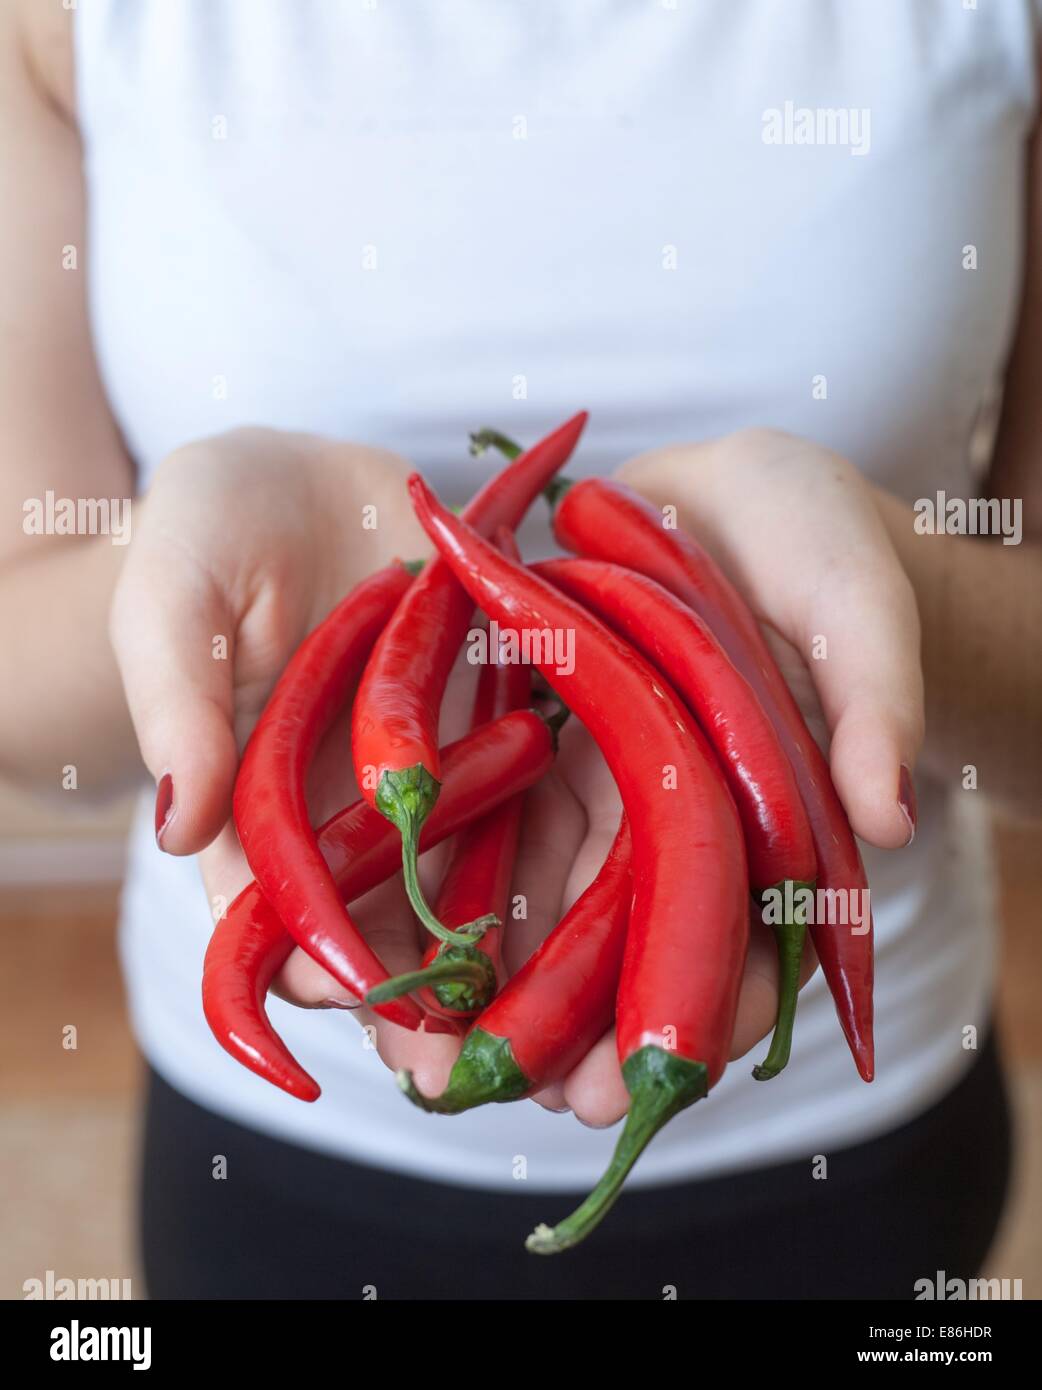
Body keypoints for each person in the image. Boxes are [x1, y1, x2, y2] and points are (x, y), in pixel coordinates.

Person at [3, 0, 1038, 1299]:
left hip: (844, 1156)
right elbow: (17, 663)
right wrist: (176, 602)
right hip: (280, 1163)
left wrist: (907, 602)